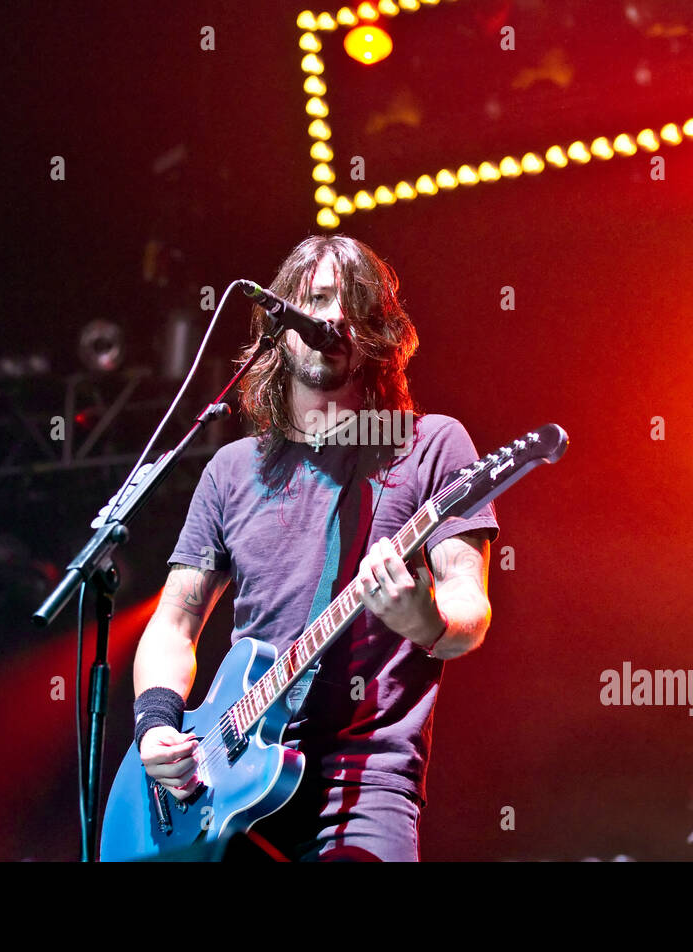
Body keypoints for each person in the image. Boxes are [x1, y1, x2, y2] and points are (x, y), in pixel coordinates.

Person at [130, 235, 497, 861]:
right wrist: (157, 724)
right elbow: (174, 623)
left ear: (378, 335)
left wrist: (427, 618)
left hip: (365, 780)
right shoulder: (230, 470)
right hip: (224, 782)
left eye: (353, 307)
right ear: (280, 324)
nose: (333, 319)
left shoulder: (432, 446)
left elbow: (471, 608)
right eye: (317, 300)